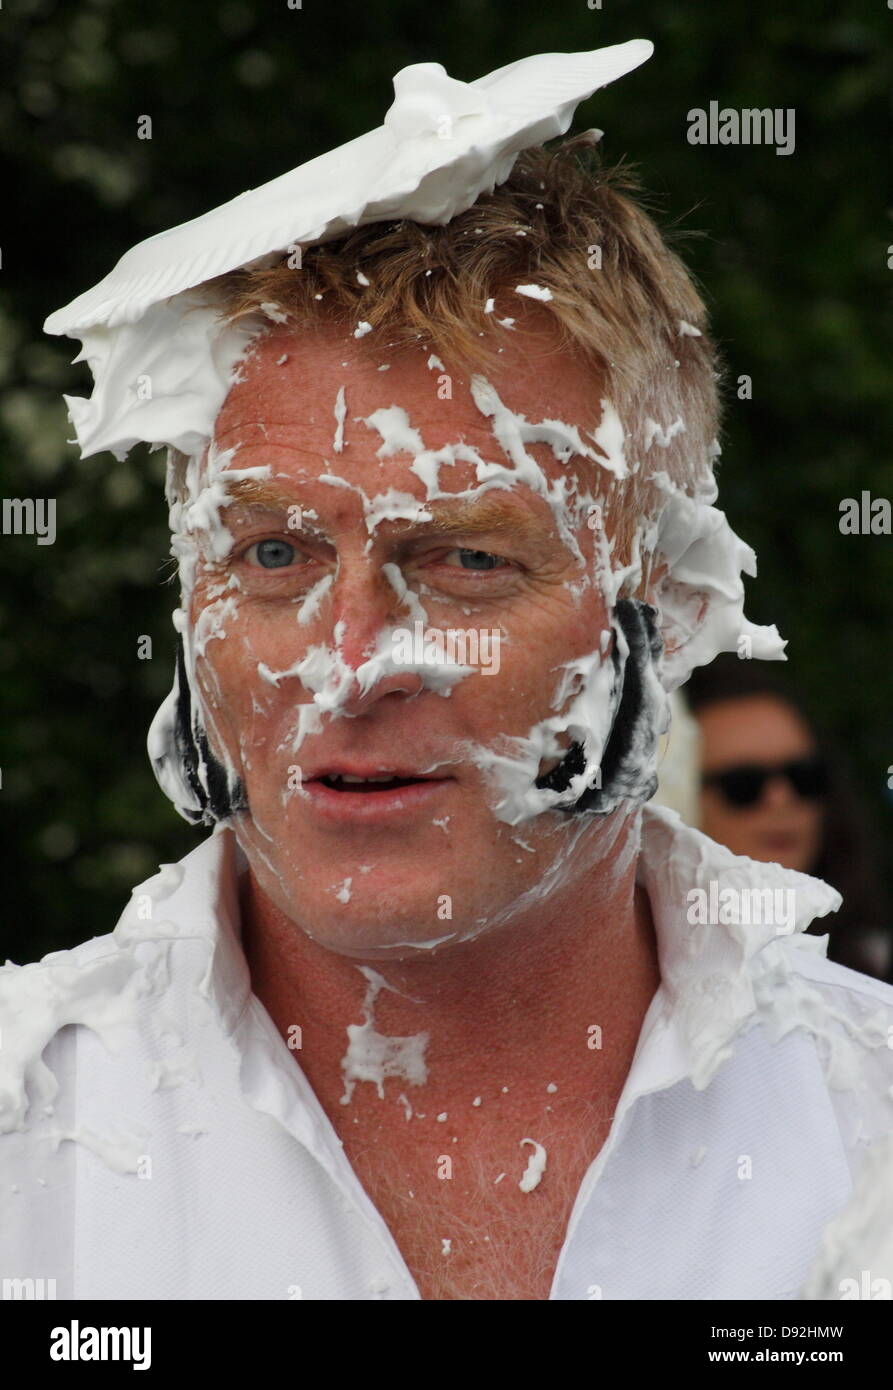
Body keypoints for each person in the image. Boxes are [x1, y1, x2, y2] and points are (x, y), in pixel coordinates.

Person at [2, 41, 892, 1302]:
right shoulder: (28, 1142)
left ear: (672, 612)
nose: (349, 665)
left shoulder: (866, 1134)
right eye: (270, 552)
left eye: (468, 557)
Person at [685, 655, 892, 981]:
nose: (782, 800)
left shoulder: (878, 969)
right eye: (743, 785)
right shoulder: (638, 983)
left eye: (803, 777)